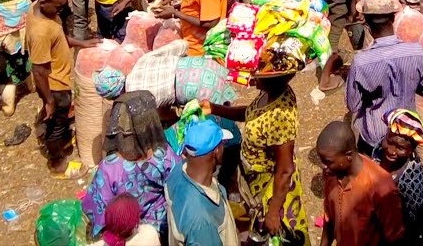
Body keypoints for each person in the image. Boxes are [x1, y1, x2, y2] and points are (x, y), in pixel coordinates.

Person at [203, 58, 309, 246]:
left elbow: (285, 169)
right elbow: (251, 113)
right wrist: (214, 109)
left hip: (272, 187)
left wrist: (274, 212)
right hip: (255, 181)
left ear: (271, 81)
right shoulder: (268, 95)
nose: (251, 77)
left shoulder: (280, 116)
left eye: (257, 75)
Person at [346, 0, 423, 155]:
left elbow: (353, 105)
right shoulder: (417, 51)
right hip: (406, 134)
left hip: (374, 136)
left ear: (367, 24)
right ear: (393, 19)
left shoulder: (361, 61)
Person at [82, 90, 182, 236]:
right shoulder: (165, 156)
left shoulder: (110, 167)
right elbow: (179, 191)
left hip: (125, 233)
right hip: (161, 228)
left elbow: (98, 209)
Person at [29, 0, 89, 176]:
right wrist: (48, 100)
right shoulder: (40, 32)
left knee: (56, 118)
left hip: (58, 81)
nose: (61, 11)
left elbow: (60, 38)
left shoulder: (40, 9)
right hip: (55, 86)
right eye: (58, 7)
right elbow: (39, 71)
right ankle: (56, 162)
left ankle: (49, 126)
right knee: (57, 124)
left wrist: (83, 43)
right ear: (44, 1)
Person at [315, 120, 406, 246]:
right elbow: (329, 220)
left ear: (348, 156)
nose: (323, 166)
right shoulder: (332, 174)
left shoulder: (381, 187)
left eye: (328, 161)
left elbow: (394, 238)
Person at [165, 119, 241, 246]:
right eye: (222, 143)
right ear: (216, 151)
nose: (224, 147)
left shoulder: (177, 172)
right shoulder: (202, 221)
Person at [376, 108, 423, 231]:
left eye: (400, 148)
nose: (391, 151)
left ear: (411, 150)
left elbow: (415, 221)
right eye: (389, 142)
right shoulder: (378, 151)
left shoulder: (413, 182)